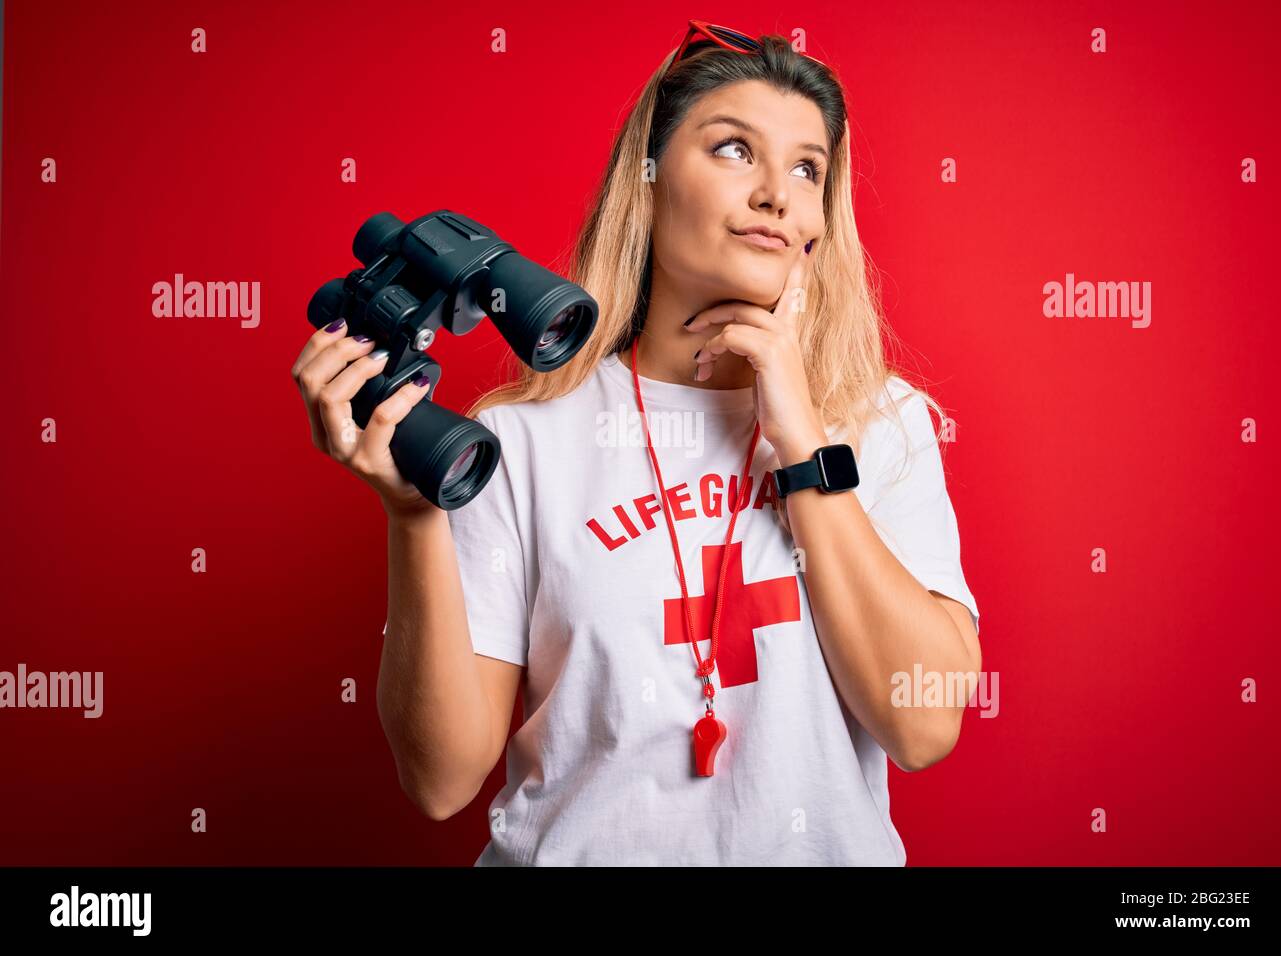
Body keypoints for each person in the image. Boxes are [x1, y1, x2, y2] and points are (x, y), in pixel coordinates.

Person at [291, 21, 981, 866]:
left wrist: (801, 435)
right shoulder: (523, 440)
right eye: (734, 150)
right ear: (648, 184)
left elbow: (924, 725)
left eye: (808, 168)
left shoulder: (884, 424)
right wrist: (414, 517)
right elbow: (440, 781)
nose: (778, 194)